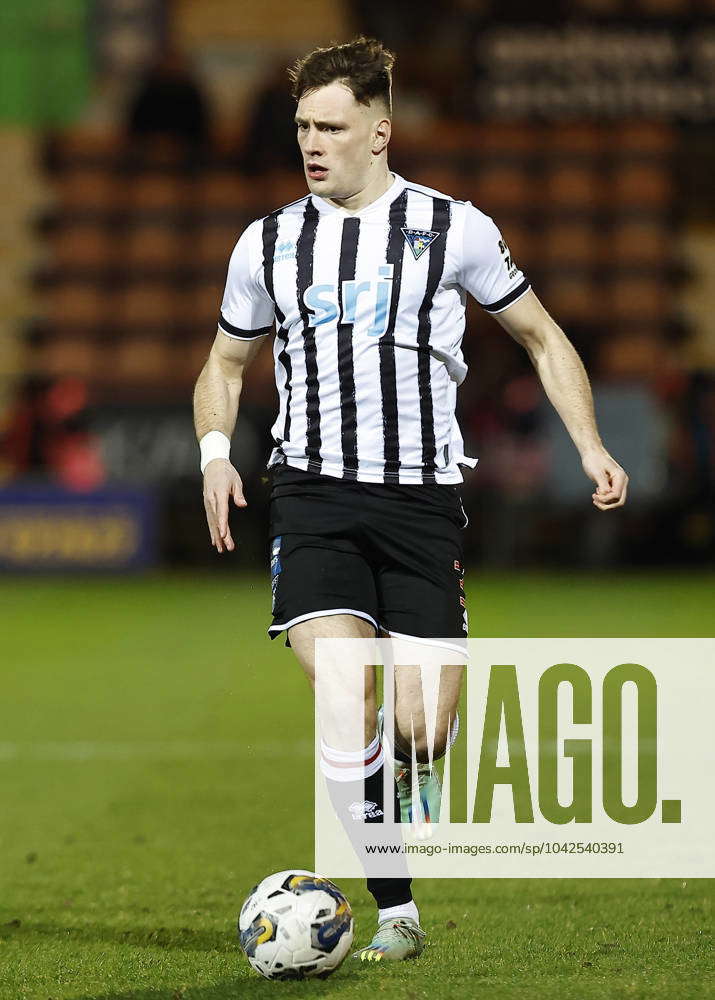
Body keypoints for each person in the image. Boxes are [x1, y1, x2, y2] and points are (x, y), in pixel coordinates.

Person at [192, 36, 628, 963]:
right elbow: (225, 362)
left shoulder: (453, 230)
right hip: (309, 496)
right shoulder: (266, 241)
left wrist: (589, 442)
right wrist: (214, 452)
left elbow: (543, 340)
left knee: (423, 727)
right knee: (344, 692)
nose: (312, 143)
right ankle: (396, 909)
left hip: (420, 504)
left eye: (332, 126)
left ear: (380, 131)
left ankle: (407, 783)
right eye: (303, 125)